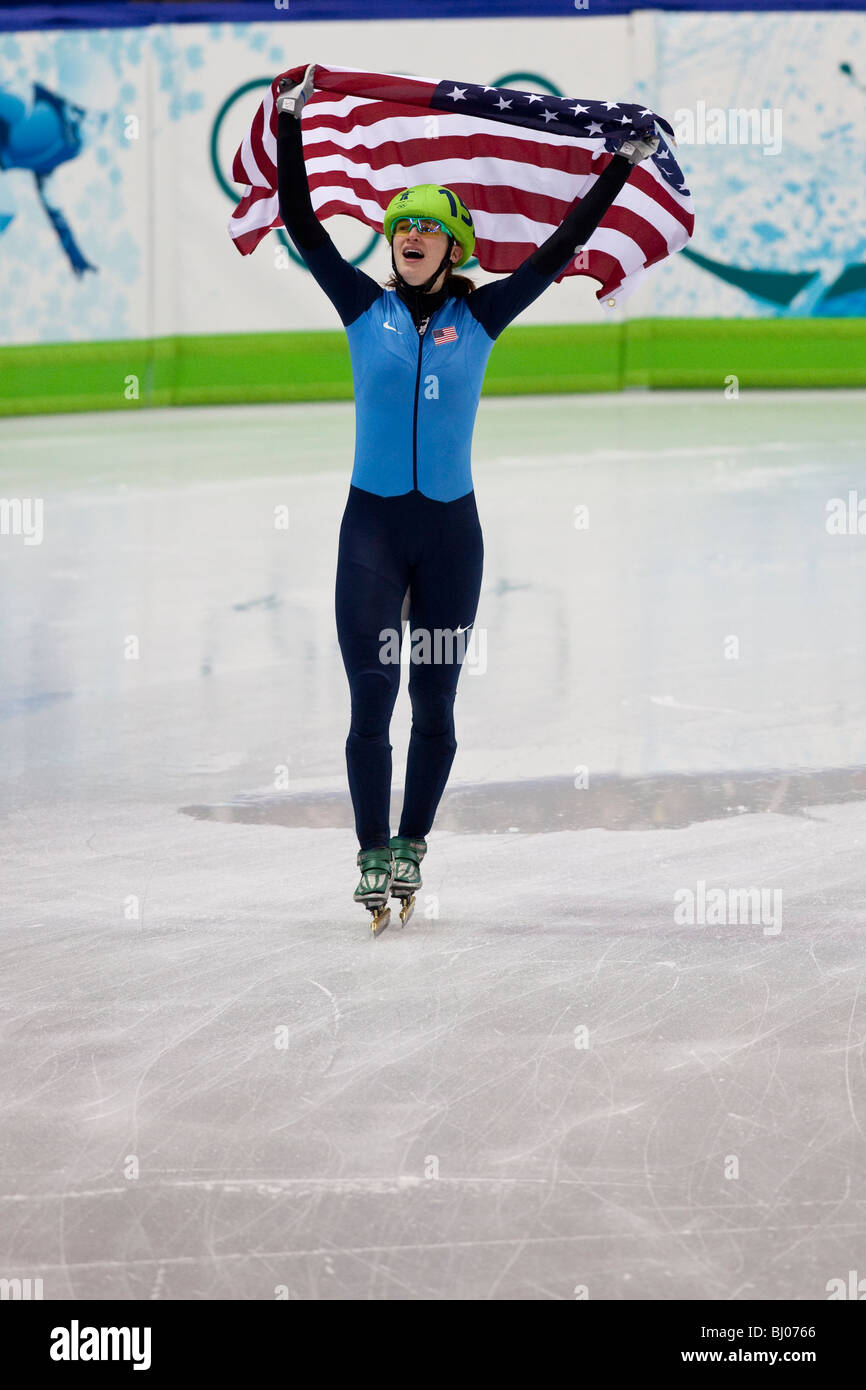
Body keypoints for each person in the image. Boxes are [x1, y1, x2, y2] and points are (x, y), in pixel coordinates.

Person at [274, 64, 657, 933]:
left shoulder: (481, 318)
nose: (410, 235)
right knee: (372, 695)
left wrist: (622, 165)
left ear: (455, 247)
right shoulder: (359, 305)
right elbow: (304, 226)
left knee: (435, 707)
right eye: (401, 225)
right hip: (371, 529)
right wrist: (293, 121)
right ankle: (372, 850)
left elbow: (560, 247)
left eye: (427, 228)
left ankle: (413, 842)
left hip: (449, 537)